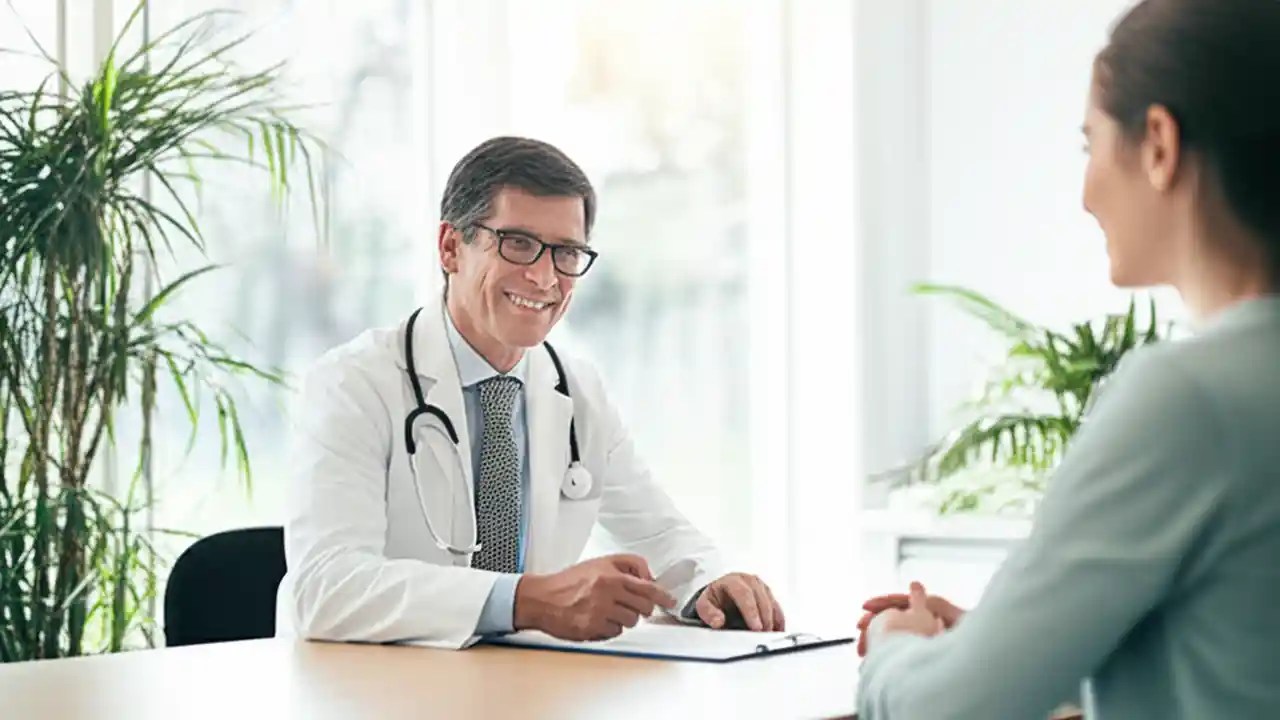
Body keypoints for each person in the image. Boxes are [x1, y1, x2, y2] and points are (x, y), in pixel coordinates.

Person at [857, 0, 1280, 717]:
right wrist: (1017, 646)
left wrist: (895, 648)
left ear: (1158, 143)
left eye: (1090, 145)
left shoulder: (1189, 397)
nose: (1085, 197)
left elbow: (948, 710)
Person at [275, 136, 784, 649]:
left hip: (525, 679)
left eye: (566, 253)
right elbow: (325, 589)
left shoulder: (578, 391)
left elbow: (659, 535)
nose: (544, 277)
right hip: (375, 685)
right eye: (517, 243)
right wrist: (525, 601)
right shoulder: (353, 383)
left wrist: (709, 584)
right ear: (450, 248)